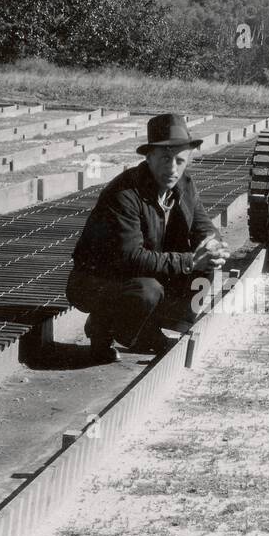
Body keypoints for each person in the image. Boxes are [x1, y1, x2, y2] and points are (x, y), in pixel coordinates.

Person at [66, 113, 228, 362]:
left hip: (143, 272)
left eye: (179, 160)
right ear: (149, 157)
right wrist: (189, 261)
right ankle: (103, 327)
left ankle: (149, 330)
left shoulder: (184, 185)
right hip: (97, 281)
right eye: (165, 158)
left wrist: (212, 244)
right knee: (147, 291)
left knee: (205, 267)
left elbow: (203, 225)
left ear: (188, 160)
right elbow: (131, 257)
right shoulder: (124, 194)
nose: (172, 168)